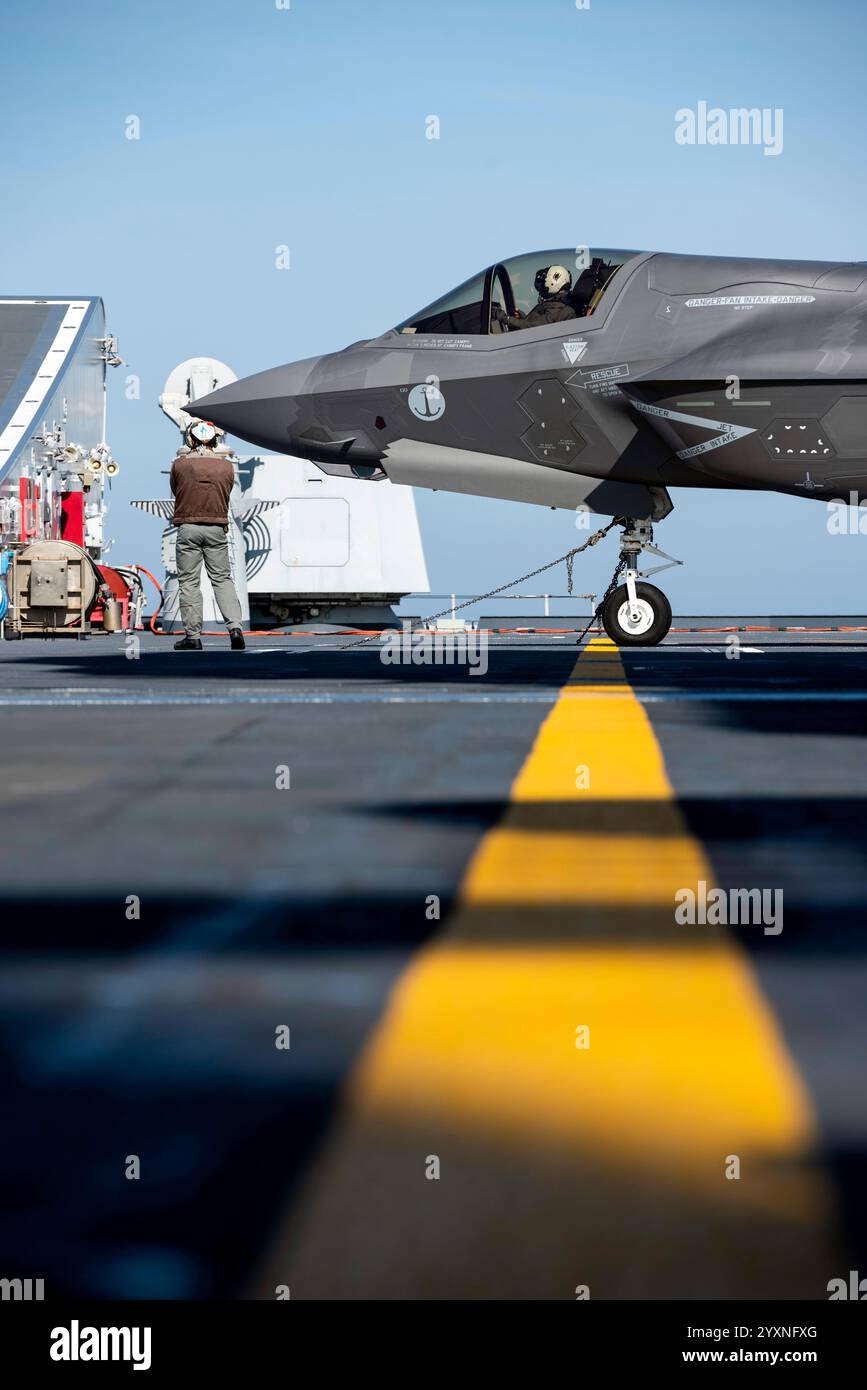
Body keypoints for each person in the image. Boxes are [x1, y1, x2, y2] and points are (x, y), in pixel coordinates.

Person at [170, 420, 246, 651]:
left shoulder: (179, 465)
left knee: (189, 582)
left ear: (190, 440)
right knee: (222, 579)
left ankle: (193, 637)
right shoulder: (226, 467)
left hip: (188, 528)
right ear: (215, 440)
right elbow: (227, 491)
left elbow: (175, 489)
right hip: (217, 529)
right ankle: (235, 629)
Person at [494, 264, 577, 331]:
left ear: (554, 282)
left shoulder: (559, 308)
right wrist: (522, 317)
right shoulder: (557, 305)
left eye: (543, 287)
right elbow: (541, 322)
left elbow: (533, 328)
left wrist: (505, 318)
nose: (541, 291)